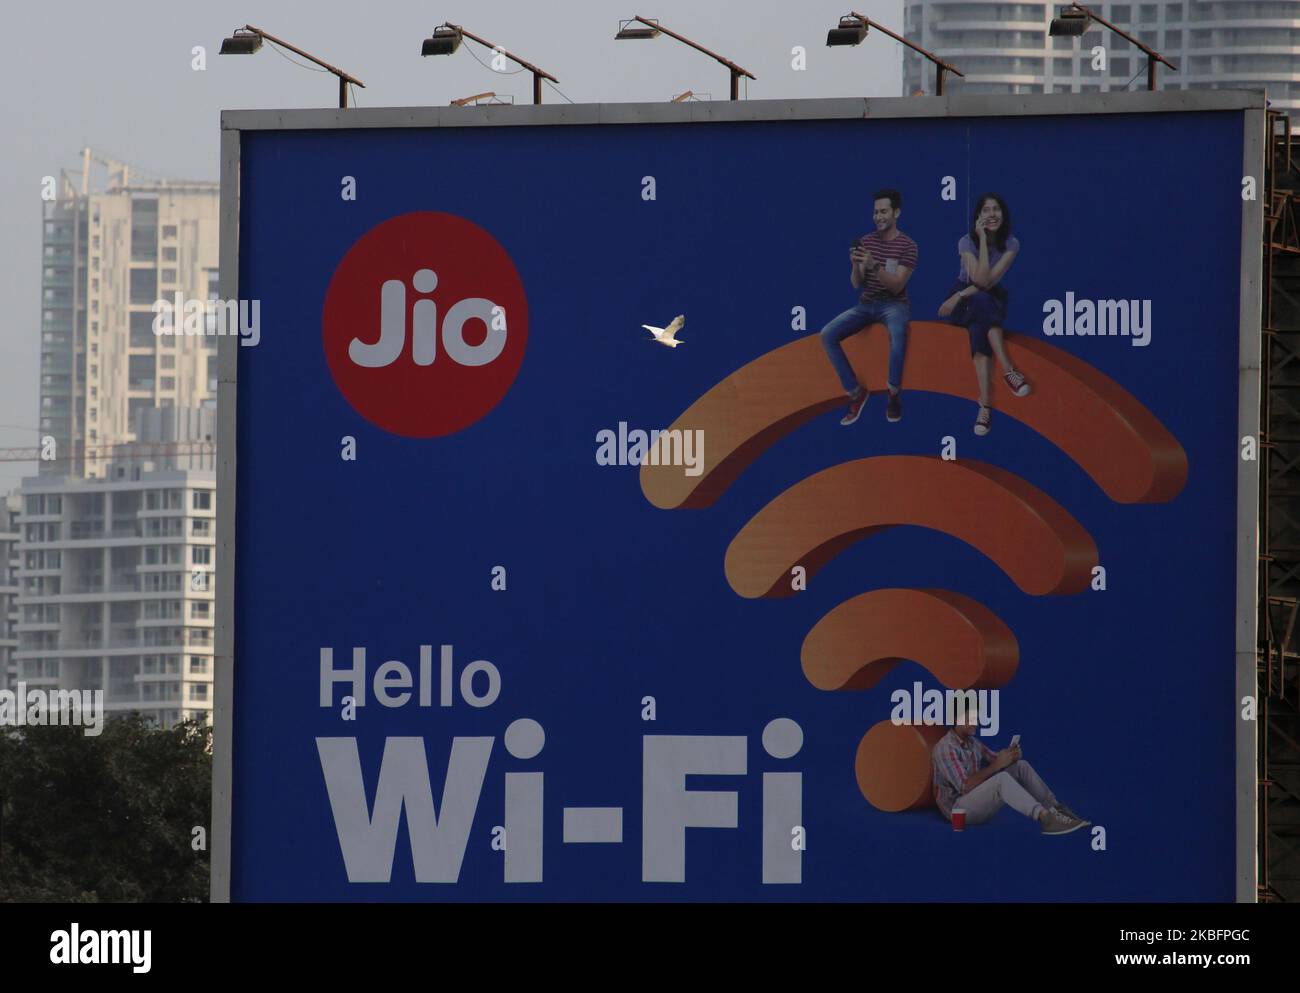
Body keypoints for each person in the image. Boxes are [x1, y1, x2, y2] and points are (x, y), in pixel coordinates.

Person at [820, 189, 918, 426]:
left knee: (897, 334)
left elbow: (896, 286)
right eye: (875, 212)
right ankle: (855, 392)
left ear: (896, 213)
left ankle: (893, 393)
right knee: (827, 334)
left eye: (883, 211)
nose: (878, 216)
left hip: (895, 305)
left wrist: (874, 266)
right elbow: (856, 284)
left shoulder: (908, 246)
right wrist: (855, 265)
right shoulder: (866, 241)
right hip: (867, 304)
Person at [937, 193, 1032, 437]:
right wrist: (980, 240)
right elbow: (978, 279)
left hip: (983, 296)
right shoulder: (965, 242)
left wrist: (958, 297)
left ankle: (985, 408)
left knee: (980, 324)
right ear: (978, 217)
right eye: (986, 210)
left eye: (996, 209)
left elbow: (988, 282)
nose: (991, 214)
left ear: (1003, 214)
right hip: (965, 297)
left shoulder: (1012, 244)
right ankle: (1009, 370)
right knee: (983, 303)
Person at [931, 712, 1088, 835]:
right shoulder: (945, 748)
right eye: (970, 718)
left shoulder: (973, 743)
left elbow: (995, 759)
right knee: (1001, 779)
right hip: (959, 811)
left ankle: (1056, 810)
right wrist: (998, 764)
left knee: (1021, 766)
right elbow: (964, 787)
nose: (976, 722)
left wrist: (1010, 756)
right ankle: (1045, 818)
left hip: (975, 803)